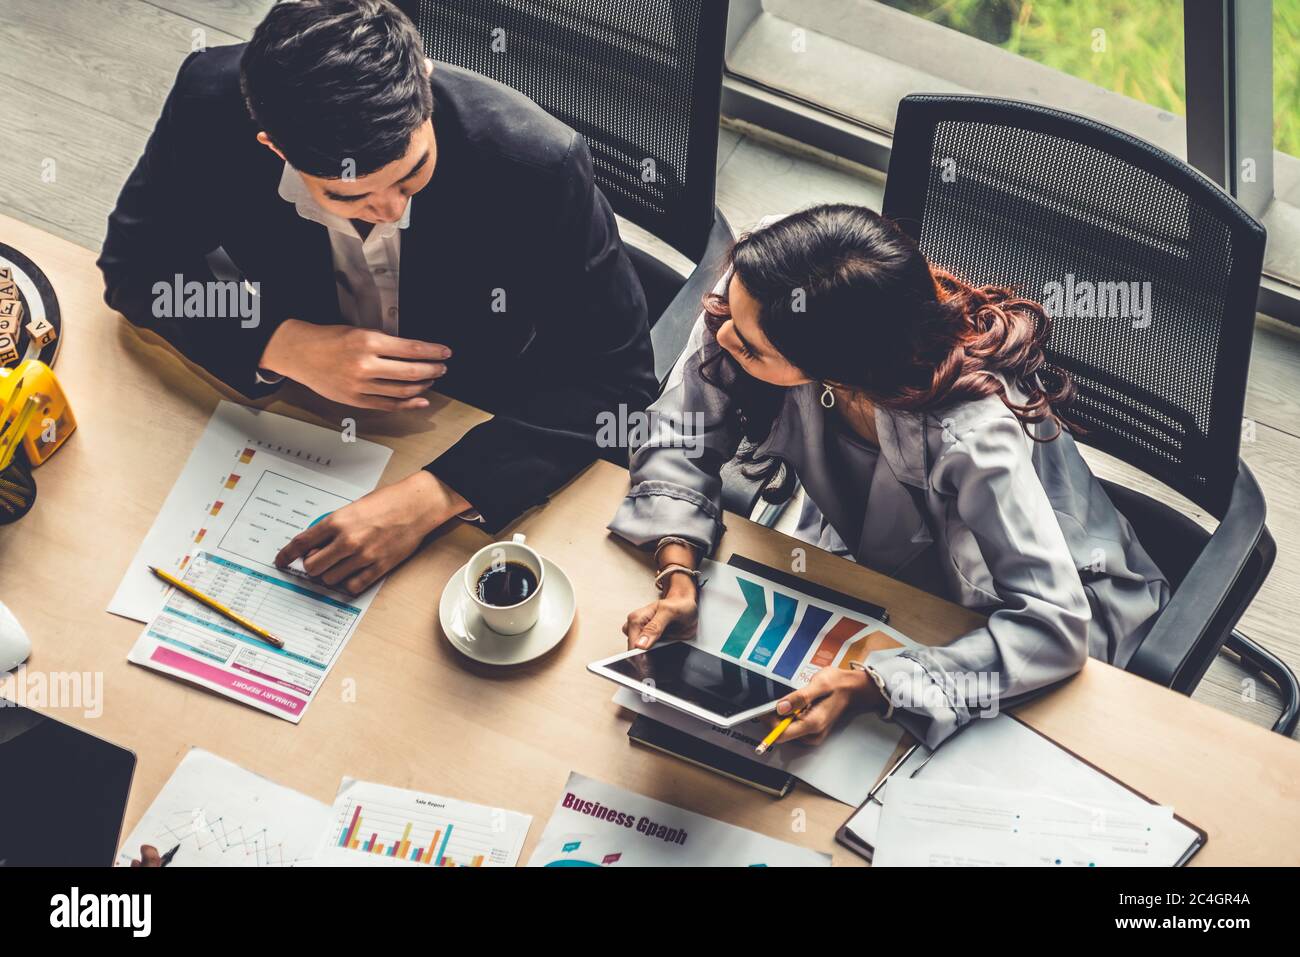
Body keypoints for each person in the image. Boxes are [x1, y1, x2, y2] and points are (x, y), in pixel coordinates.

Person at [99, 0, 655, 594]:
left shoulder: (537, 162)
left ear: (427, 87)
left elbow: (618, 382)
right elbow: (137, 264)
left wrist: (435, 494)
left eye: (412, 173)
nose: (392, 211)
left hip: (476, 402)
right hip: (294, 405)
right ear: (274, 148)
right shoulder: (206, 101)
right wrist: (277, 342)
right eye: (347, 198)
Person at [608, 204, 1170, 750]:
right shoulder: (768, 283)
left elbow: (1054, 624)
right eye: (729, 311)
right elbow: (683, 429)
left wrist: (877, 685)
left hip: (1028, 609)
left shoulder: (974, 436)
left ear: (835, 368)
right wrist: (677, 566)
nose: (724, 337)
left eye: (751, 348)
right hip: (872, 569)